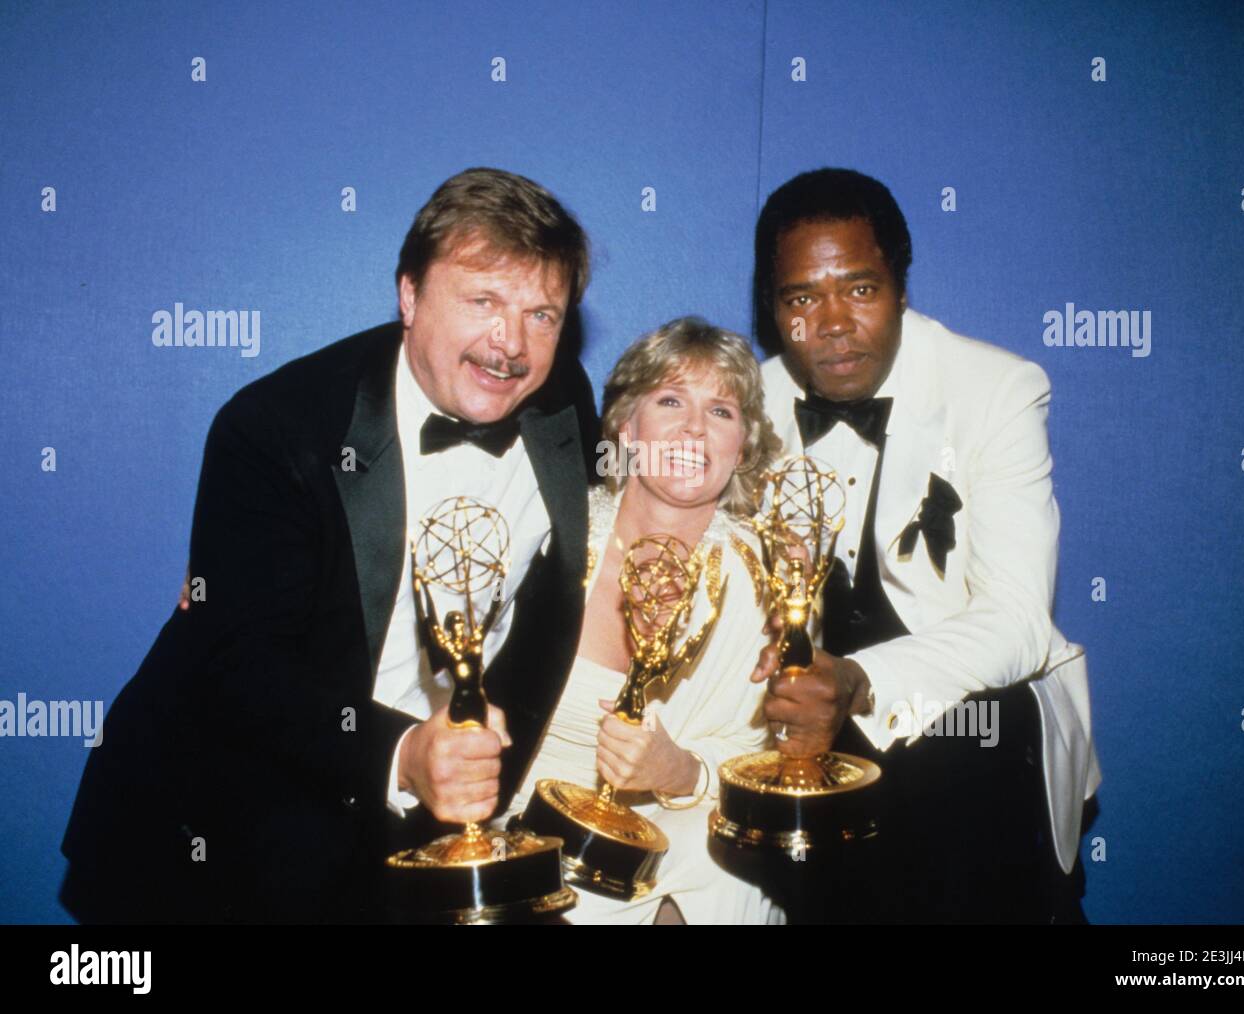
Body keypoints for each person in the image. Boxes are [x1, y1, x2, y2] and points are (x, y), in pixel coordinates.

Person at [60, 167, 600, 923]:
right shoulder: (275, 430)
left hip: (411, 835)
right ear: (409, 295)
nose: (510, 344)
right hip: (218, 826)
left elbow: (557, 594)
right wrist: (405, 755)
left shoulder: (562, 402)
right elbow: (240, 667)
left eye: (542, 314)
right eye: (482, 300)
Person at [748, 168, 1101, 923]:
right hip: (809, 745)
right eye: (801, 298)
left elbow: (1015, 622)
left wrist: (858, 683)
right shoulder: (745, 401)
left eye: (861, 289)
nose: (833, 323)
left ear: (901, 288)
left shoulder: (995, 387)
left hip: (974, 730)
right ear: (773, 309)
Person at [504, 317, 785, 924]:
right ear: (626, 427)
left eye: (721, 412)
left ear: (742, 447)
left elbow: (755, 758)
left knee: (731, 863)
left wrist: (678, 771)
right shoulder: (552, 541)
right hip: (531, 831)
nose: (693, 427)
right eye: (670, 400)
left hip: (680, 828)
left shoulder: (760, 581)